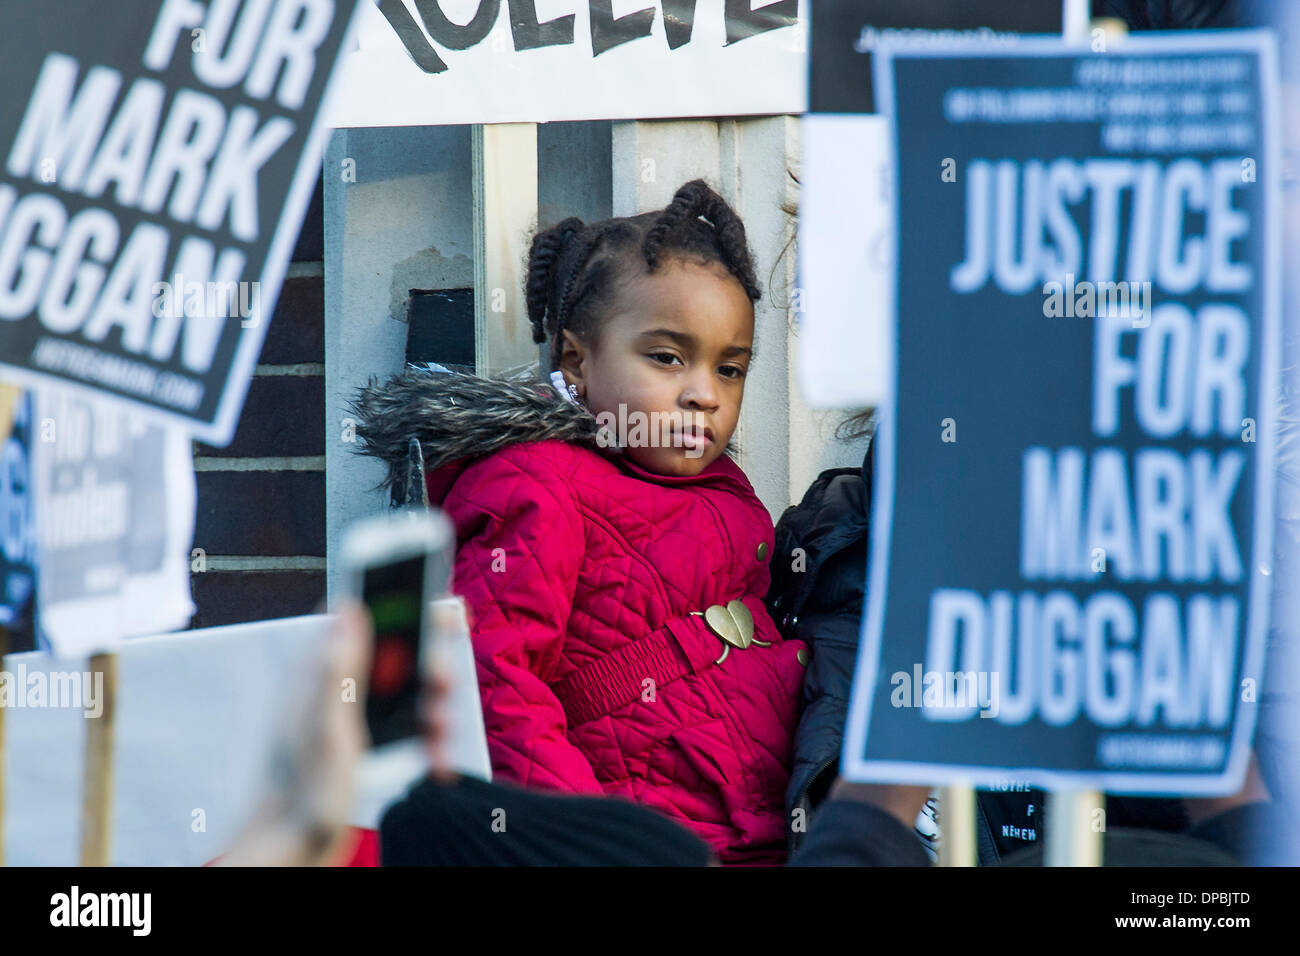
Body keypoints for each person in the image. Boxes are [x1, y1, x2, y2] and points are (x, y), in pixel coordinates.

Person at [352, 180, 808, 865]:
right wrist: (586, 848)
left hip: (759, 833)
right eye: (666, 357)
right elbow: (496, 687)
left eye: (731, 368)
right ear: (576, 360)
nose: (705, 394)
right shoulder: (537, 482)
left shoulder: (724, 488)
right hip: (636, 841)